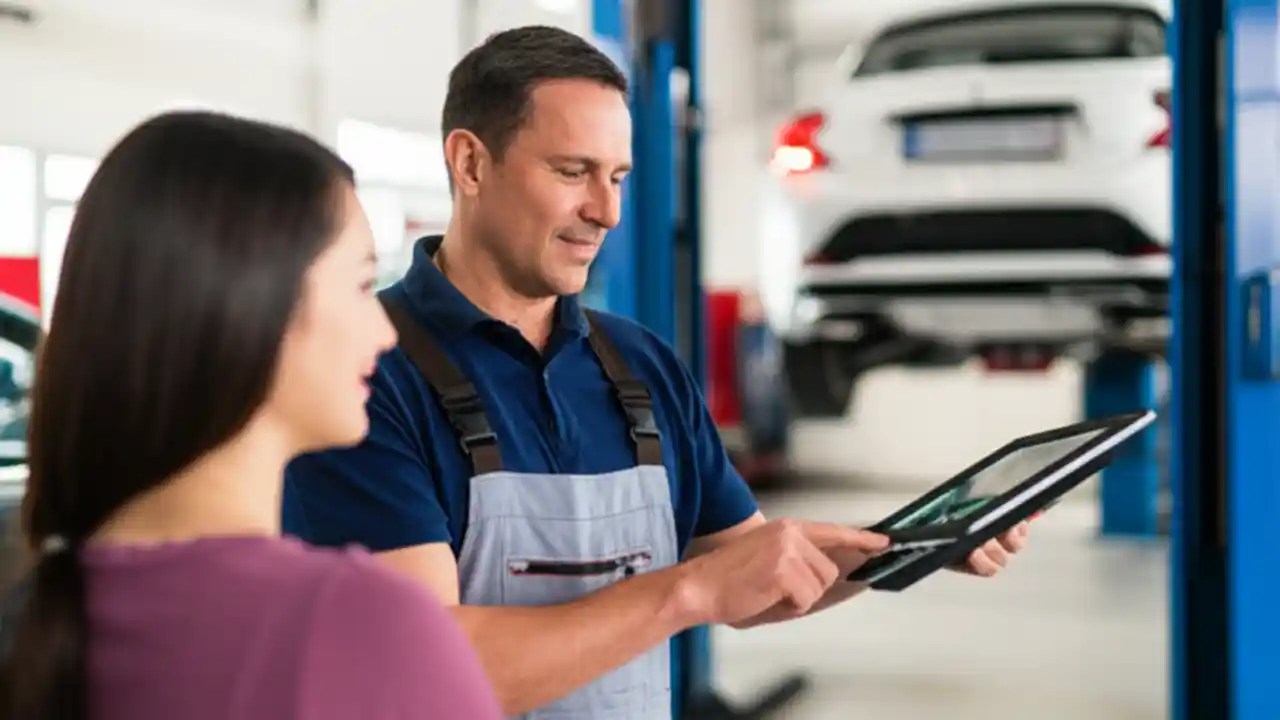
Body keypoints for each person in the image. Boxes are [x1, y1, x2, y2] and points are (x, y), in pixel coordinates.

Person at [283, 25, 1030, 718]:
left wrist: (906, 548)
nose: (606, 211)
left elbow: (750, 578)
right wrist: (688, 591)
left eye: (619, 176)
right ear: (470, 162)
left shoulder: (639, 366)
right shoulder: (365, 374)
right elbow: (423, 668)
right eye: (573, 171)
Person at [0, 111, 502, 720]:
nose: (384, 334)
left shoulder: (39, 612)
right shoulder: (362, 627)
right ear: (255, 307)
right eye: (363, 286)